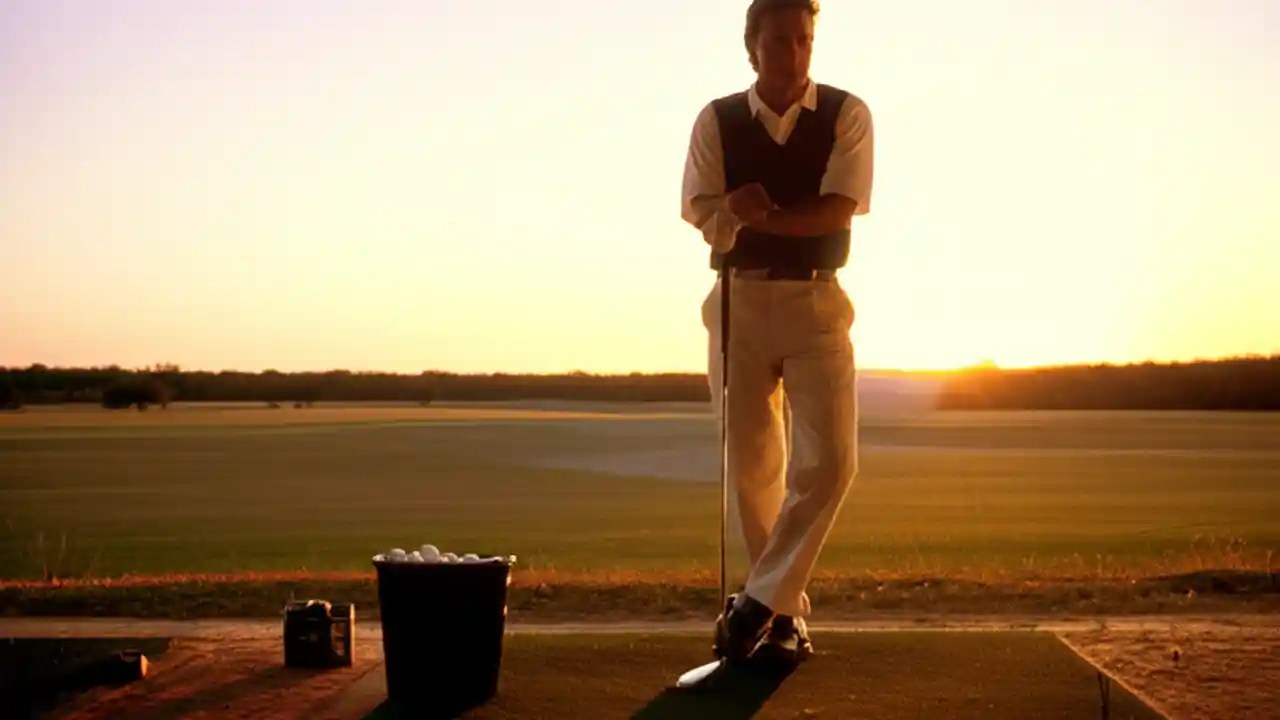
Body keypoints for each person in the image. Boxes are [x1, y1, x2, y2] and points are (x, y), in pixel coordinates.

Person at [680, 0, 874, 667]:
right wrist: (728, 212)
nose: (793, 53)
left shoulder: (848, 113)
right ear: (750, 45)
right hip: (739, 299)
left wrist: (742, 218)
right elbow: (698, 209)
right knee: (753, 465)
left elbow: (835, 213)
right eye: (779, 41)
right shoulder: (717, 119)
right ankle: (783, 620)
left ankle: (756, 605)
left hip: (817, 301)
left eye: (803, 40)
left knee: (833, 462)